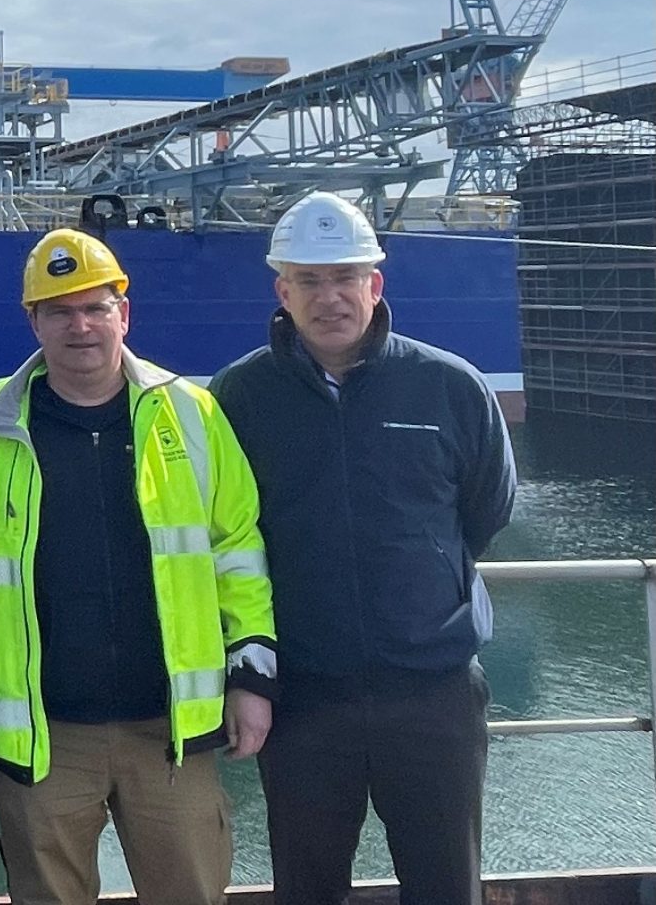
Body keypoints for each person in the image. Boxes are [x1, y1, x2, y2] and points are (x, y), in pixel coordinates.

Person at [0, 228, 277, 905]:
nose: (80, 326)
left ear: (125, 312)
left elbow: (238, 548)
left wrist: (252, 674)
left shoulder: (192, 414)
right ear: (34, 321)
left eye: (96, 307)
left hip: (170, 729)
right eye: (59, 311)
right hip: (42, 732)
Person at [210, 191, 517, 905]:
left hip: (433, 691)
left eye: (345, 277)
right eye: (310, 281)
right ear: (282, 291)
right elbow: (222, 534)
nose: (330, 297)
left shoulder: (450, 386)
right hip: (303, 696)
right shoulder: (239, 398)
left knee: (447, 887)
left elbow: (486, 511)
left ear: (374, 285)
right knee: (308, 889)